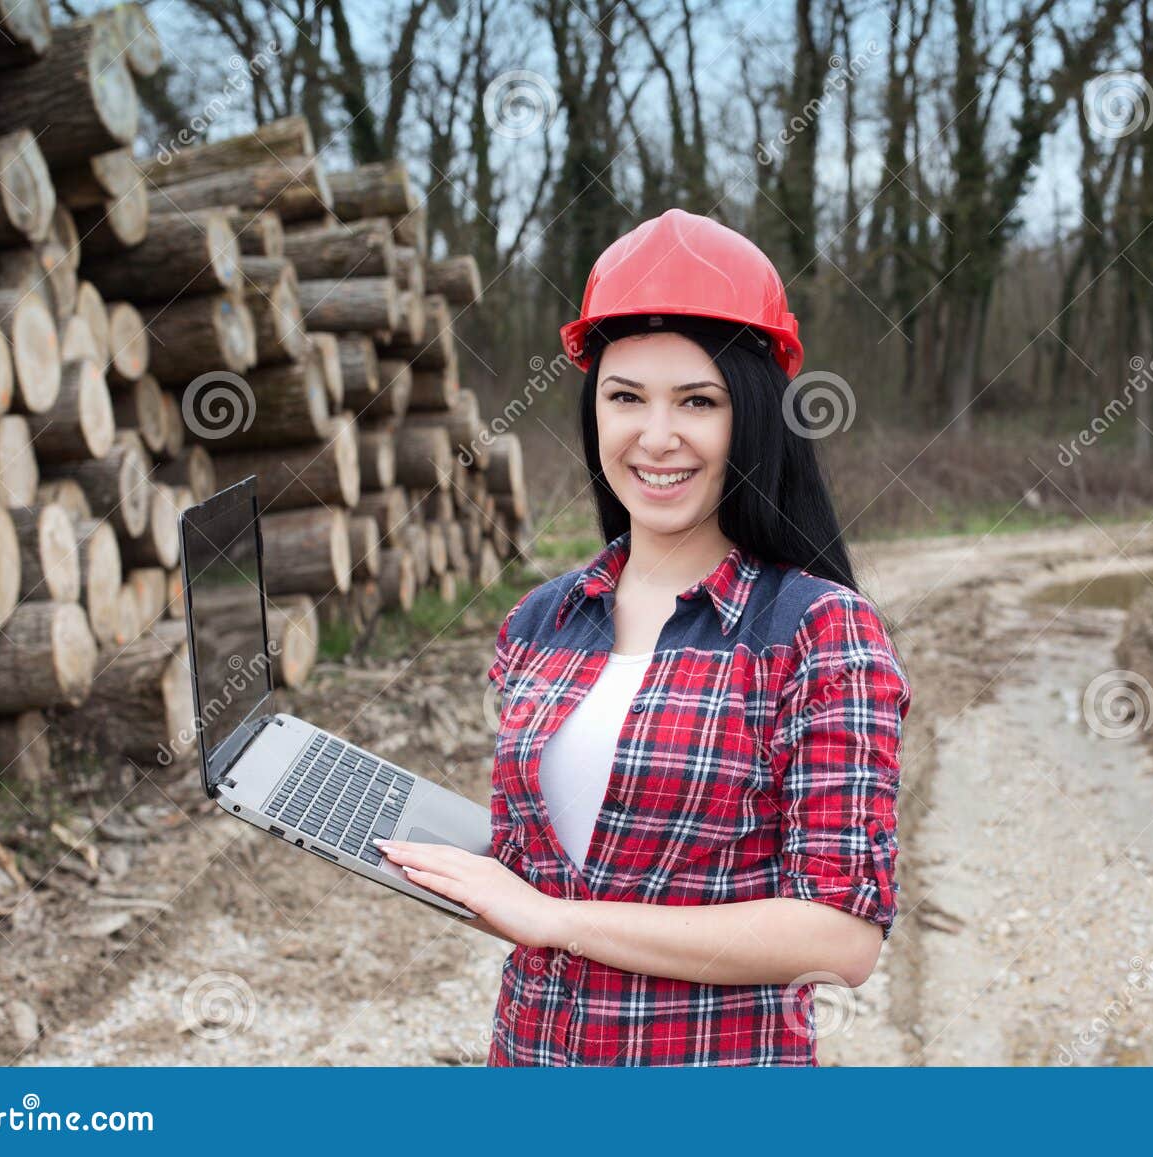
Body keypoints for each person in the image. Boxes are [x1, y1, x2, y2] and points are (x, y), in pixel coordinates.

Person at [376, 208, 912, 1066]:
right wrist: (432, 858)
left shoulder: (819, 633)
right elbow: (546, 871)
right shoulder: (542, 622)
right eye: (625, 397)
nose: (655, 437)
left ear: (755, 418)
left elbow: (841, 935)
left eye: (697, 401)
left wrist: (557, 921)